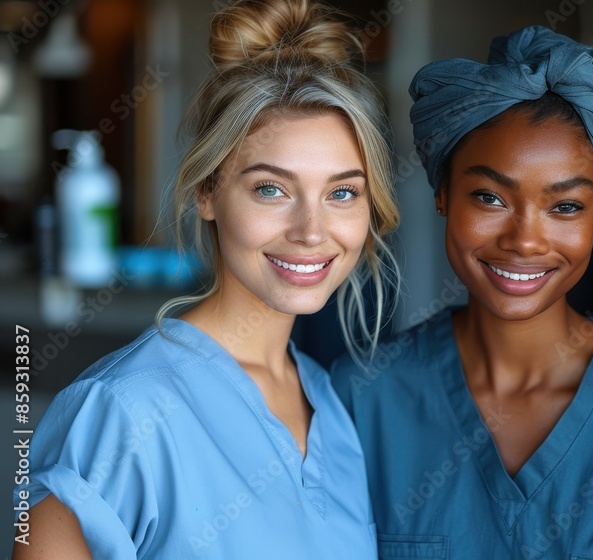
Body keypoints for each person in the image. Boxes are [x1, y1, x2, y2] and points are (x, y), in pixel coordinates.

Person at [331, 26, 593, 559]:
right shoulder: (360, 401)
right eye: (489, 197)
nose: (525, 240)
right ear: (442, 195)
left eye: (565, 206)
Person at [13, 0, 398, 557]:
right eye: (271, 188)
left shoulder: (329, 405)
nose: (312, 231)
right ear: (208, 193)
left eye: (342, 192)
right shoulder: (122, 411)